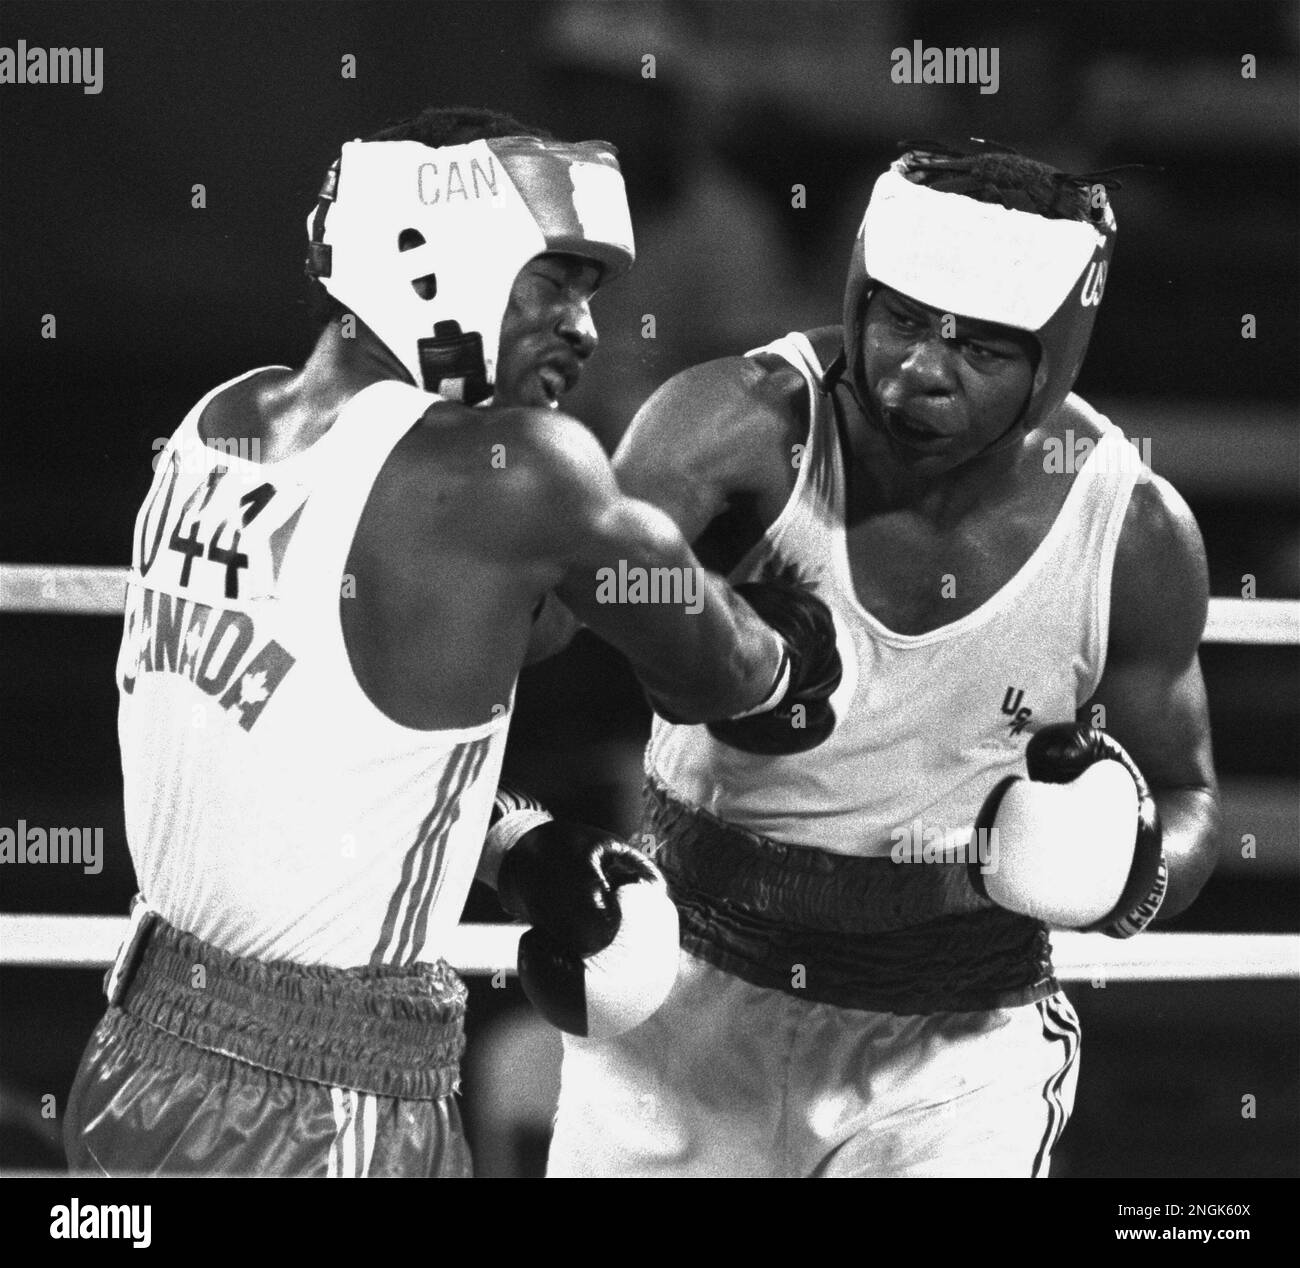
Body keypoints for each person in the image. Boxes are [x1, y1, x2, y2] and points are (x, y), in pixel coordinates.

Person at [62, 106, 839, 1178]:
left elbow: (299, 746)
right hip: (324, 1111)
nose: (584, 328)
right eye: (552, 281)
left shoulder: (216, 427)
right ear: (433, 254)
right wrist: (793, 642)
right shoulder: (515, 472)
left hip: (135, 1053)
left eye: (589, 294)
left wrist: (508, 838)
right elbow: (727, 673)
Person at [547, 141, 1221, 1178]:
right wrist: (705, 636)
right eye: (899, 317)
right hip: (683, 1005)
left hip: (950, 1054)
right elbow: (564, 591)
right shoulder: (732, 428)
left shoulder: (1128, 531)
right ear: (859, 287)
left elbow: (1186, 796)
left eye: (981, 351)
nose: (919, 371)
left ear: (1055, 356)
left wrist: (1132, 867)